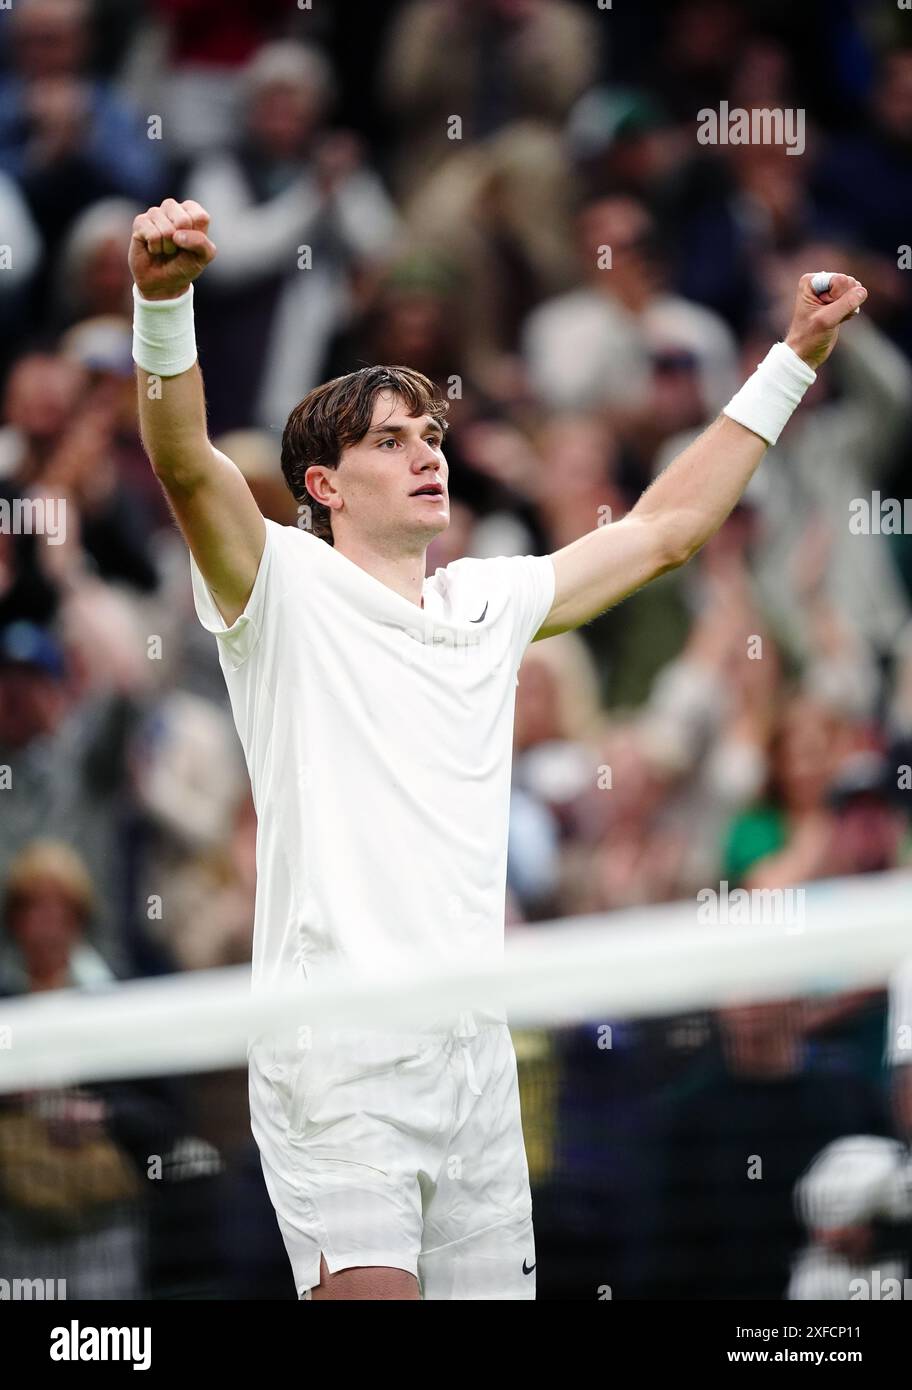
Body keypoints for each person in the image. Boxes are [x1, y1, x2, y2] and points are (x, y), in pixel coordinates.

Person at [128, 195, 868, 1300]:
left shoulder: (489, 599)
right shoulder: (279, 586)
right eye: (390, 440)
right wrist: (163, 297)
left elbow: (664, 531)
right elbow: (186, 461)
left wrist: (790, 361)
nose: (426, 452)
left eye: (430, 435)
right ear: (321, 489)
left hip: (478, 1064)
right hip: (337, 1059)